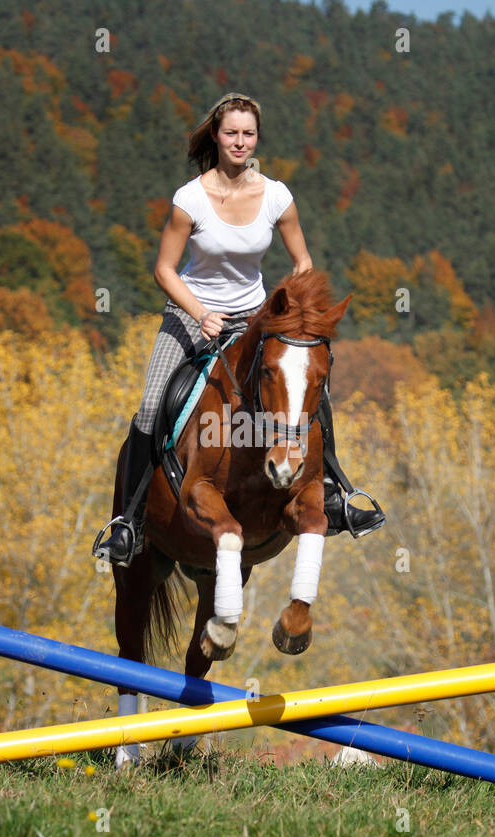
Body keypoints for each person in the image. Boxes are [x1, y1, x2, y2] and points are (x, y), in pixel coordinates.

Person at [93, 92, 385, 567]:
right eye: (231, 132)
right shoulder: (189, 199)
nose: (240, 141)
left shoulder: (277, 196)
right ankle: (129, 523)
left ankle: (337, 494)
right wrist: (200, 312)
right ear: (216, 134)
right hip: (189, 314)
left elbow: (302, 261)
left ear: (257, 138)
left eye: (248, 133)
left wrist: (287, 308)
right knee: (150, 408)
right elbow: (164, 270)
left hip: (255, 317)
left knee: (310, 398)